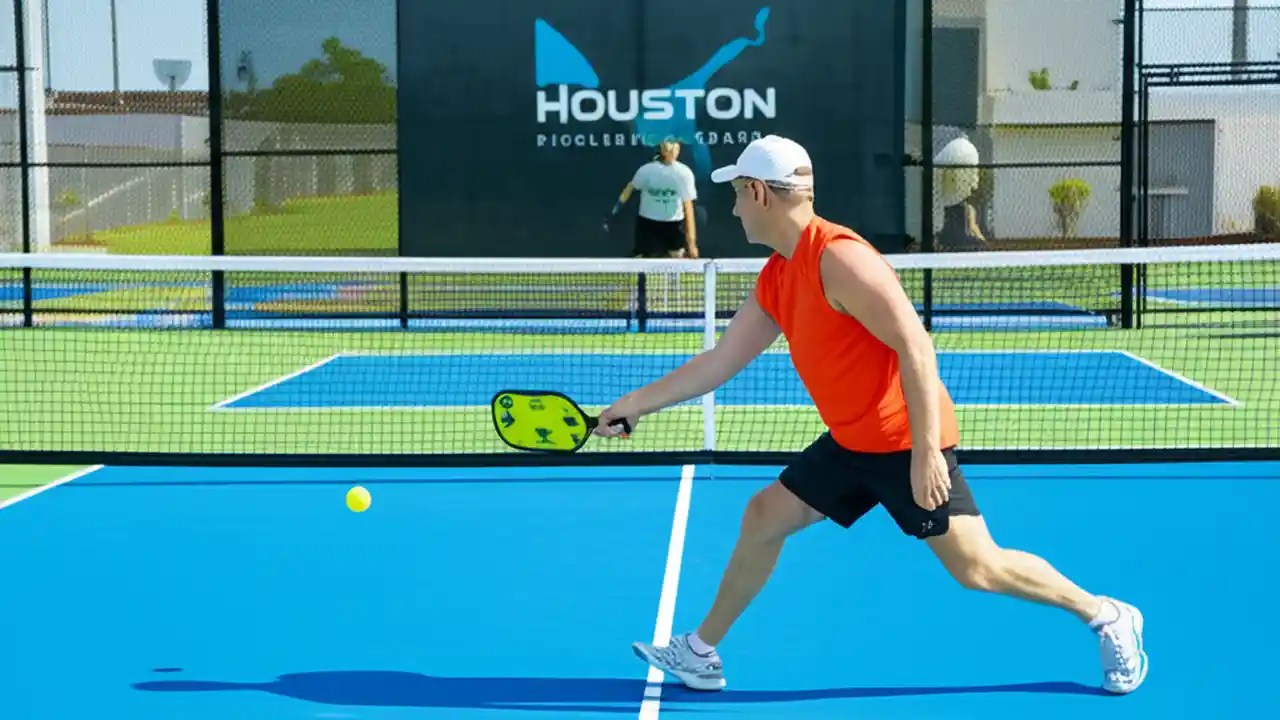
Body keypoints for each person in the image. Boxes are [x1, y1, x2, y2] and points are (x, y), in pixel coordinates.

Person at [593, 135, 1148, 695]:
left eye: (739, 194)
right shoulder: (778, 276)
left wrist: (928, 451)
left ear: (760, 193)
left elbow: (916, 347)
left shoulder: (840, 259)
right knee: (763, 516)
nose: (734, 208)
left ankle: (1105, 614)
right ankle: (700, 650)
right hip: (852, 441)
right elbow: (721, 361)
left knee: (977, 567)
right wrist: (634, 404)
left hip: (906, 439)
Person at [604, 139, 700, 258]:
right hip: (648, 223)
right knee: (644, 260)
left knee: (676, 260)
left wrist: (691, 242)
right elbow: (629, 189)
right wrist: (615, 210)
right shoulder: (646, 171)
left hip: (674, 224)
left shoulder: (684, 173)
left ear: (678, 149)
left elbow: (688, 207)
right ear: (662, 150)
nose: (673, 151)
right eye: (669, 148)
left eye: (675, 147)